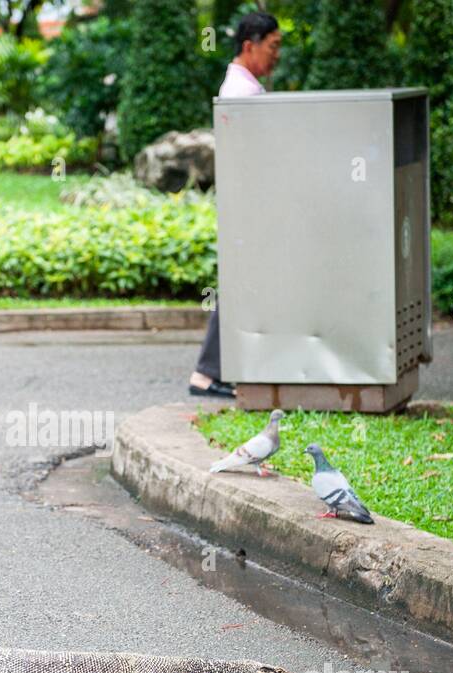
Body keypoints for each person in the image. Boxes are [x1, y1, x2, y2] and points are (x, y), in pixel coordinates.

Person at [190, 11, 282, 398]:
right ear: (250, 46)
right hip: (247, 206)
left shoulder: (245, 87)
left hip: (249, 204)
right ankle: (207, 374)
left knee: (244, 284)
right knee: (238, 285)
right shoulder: (240, 94)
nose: (277, 56)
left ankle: (224, 370)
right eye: (273, 46)